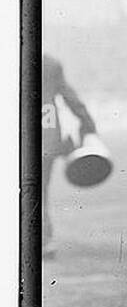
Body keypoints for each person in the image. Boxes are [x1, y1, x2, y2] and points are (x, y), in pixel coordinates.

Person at [39, 53, 99, 257]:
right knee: (39, 191)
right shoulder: (49, 63)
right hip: (45, 139)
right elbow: (70, 97)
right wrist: (87, 123)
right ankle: (44, 242)